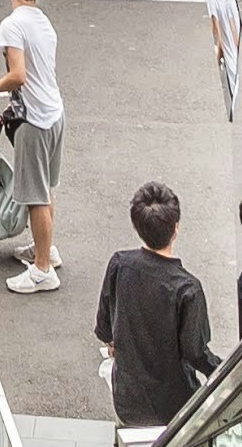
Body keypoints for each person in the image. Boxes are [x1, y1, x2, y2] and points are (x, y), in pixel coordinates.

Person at [95, 184, 215, 447]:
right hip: (174, 406)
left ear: (137, 227)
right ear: (175, 228)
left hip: (128, 400)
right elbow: (195, 352)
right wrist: (224, 371)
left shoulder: (120, 264)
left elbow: (104, 327)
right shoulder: (187, 289)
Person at [0, 0, 68, 291]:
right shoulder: (43, 22)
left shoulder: (12, 25)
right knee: (44, 189)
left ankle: (42, 270)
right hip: (54, 112)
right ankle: (45, 250)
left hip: (35, 120)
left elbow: (18, 75)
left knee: (35, 195)